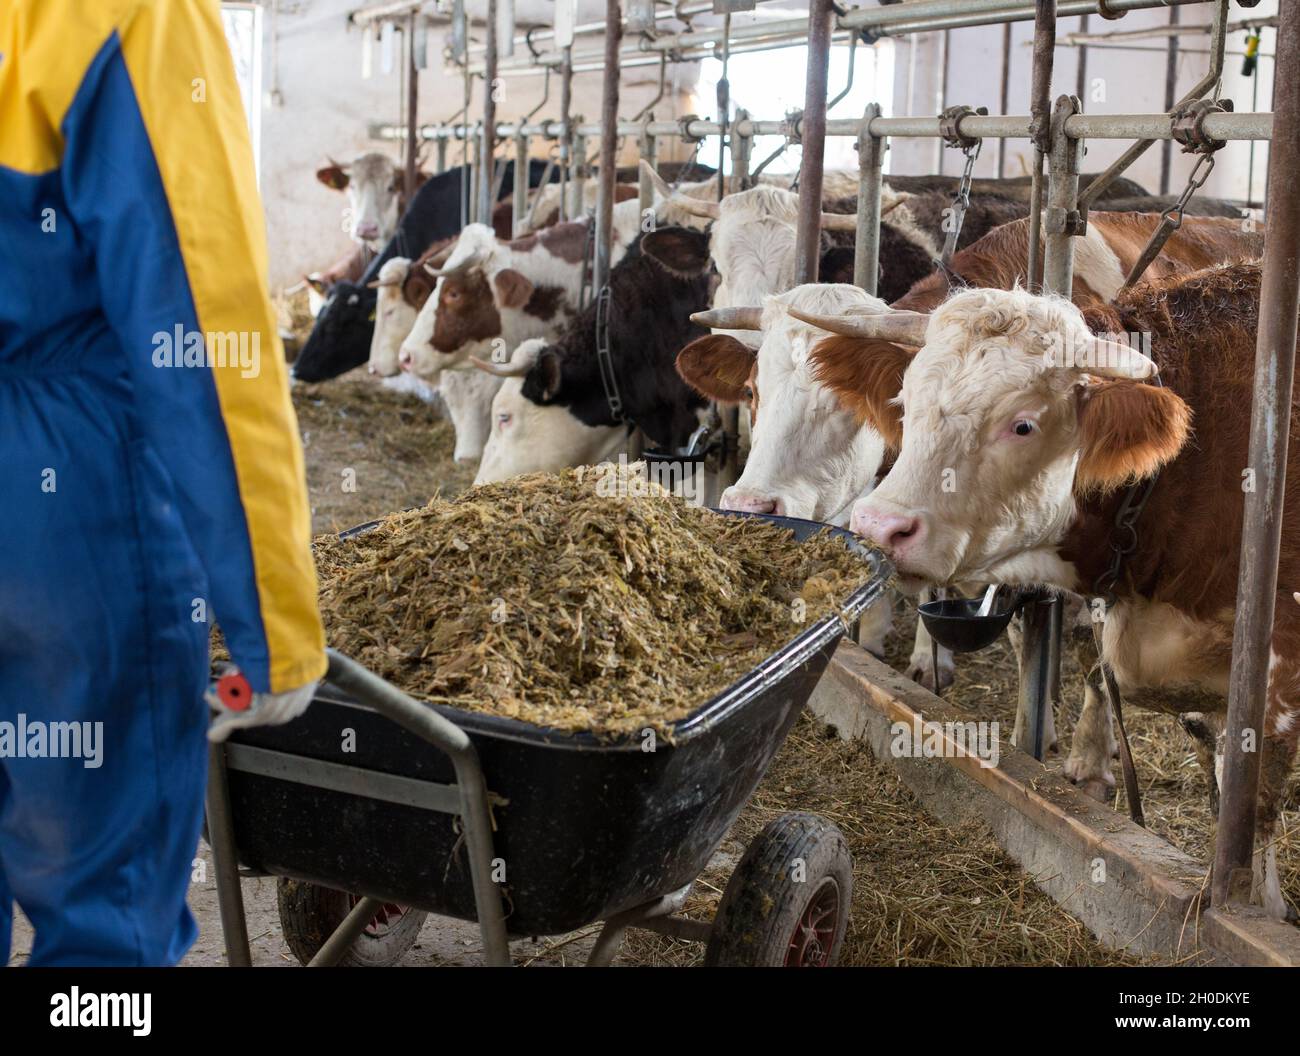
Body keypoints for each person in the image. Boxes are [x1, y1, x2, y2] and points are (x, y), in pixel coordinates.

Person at [0, 0, 326, 965]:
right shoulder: (126, 14)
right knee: (104, 909)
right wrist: (274, 624)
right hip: (68, 497)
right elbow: (201, 325)